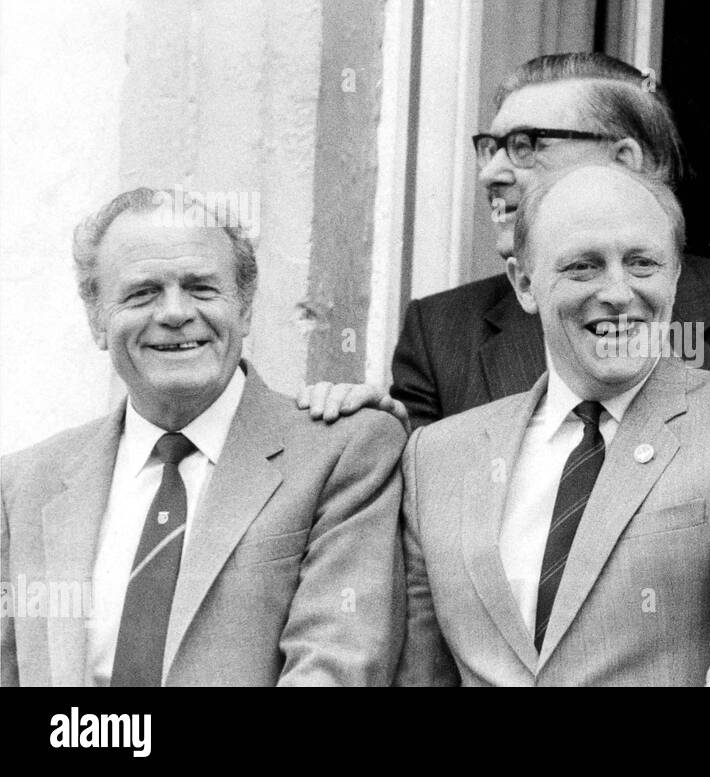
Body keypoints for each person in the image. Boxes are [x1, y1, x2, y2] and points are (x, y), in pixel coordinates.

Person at [396, 163, 710, 686]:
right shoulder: (437, 456)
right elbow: (419, 672)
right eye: (583, 267)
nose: (619, 292)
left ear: (675, 276)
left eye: (643, 263)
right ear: (524, 284)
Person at [301, 52, 710, 447]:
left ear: (625, 158)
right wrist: (375, 440)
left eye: (526, 145)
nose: (493, 173)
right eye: (490, 149)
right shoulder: (443, 331)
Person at [0, 188, 406, 686]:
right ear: (96, 320)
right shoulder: (23, 486)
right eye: (142, 292)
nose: (174, 312)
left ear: (246, 308)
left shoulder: (343, 452)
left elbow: (335, 669)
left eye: (201, 288)